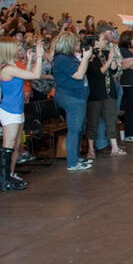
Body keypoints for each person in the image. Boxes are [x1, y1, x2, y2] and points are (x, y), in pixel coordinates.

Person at [0, 36, 44, 191]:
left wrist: (29, 60)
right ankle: (4, 179)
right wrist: (40, 57)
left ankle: (10, 174)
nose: (19, 47)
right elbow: (35, 75)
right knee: (8, 145)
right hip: (10, 111)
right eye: (16, 46)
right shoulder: (7, 68)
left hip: (16, 109)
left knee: (15, 145)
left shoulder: (12, 66)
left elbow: (25, 75)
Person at [51, 31, 94, 171]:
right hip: (71, 97)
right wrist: (85, 59)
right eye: (75, 42)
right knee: (74, 129)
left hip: (78, 96)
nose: (78, 44)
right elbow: (79, 75)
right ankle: (72, 162)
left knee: (79, 129)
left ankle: (75, 157)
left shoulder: (69, 58)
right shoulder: (62, 59)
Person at [85, 27, 124, 159]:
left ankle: (114, 147)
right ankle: (91, 150)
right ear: (95, 41)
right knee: (93, 122)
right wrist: (108, 61)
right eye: (103, 39)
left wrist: (112, 60)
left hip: (109, 92)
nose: (106, 41)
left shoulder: (106, 53)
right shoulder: (89, 56)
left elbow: (112, 71)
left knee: (111, 120)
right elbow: (98, 72)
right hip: (95, 93)